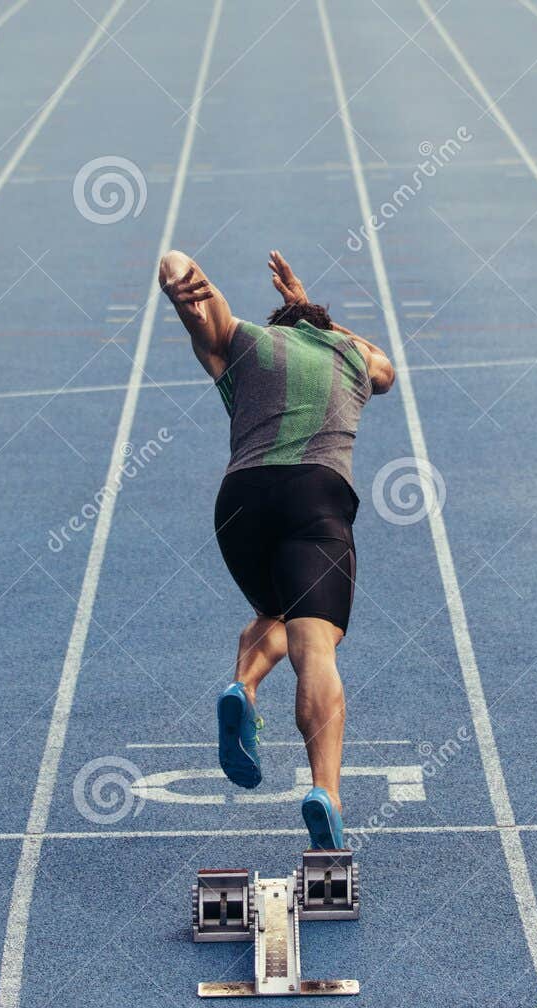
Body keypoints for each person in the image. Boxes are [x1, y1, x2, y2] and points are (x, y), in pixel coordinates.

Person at [158, 248, 395, 849]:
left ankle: (244, 686)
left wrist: (180, 280)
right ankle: (326, 793)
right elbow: (389, 369)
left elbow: (181, 271)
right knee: (316, 648)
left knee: (275, 617)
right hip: (315, 496)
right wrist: (317, 313)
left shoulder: (246, 344)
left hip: (240, 503)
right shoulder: (349, 356)